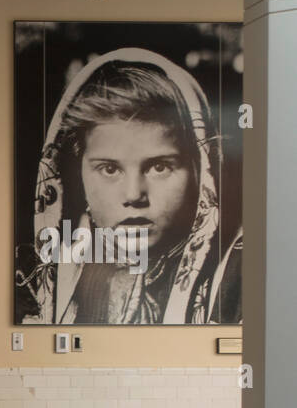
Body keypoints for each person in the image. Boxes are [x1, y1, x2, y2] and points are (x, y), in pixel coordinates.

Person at [20, 48, 241, 325]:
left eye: (160, 167)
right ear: (76, 175)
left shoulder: (240, 275)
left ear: (201, 169)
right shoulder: (34, 278)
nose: (134, 195)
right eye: (110, 169)